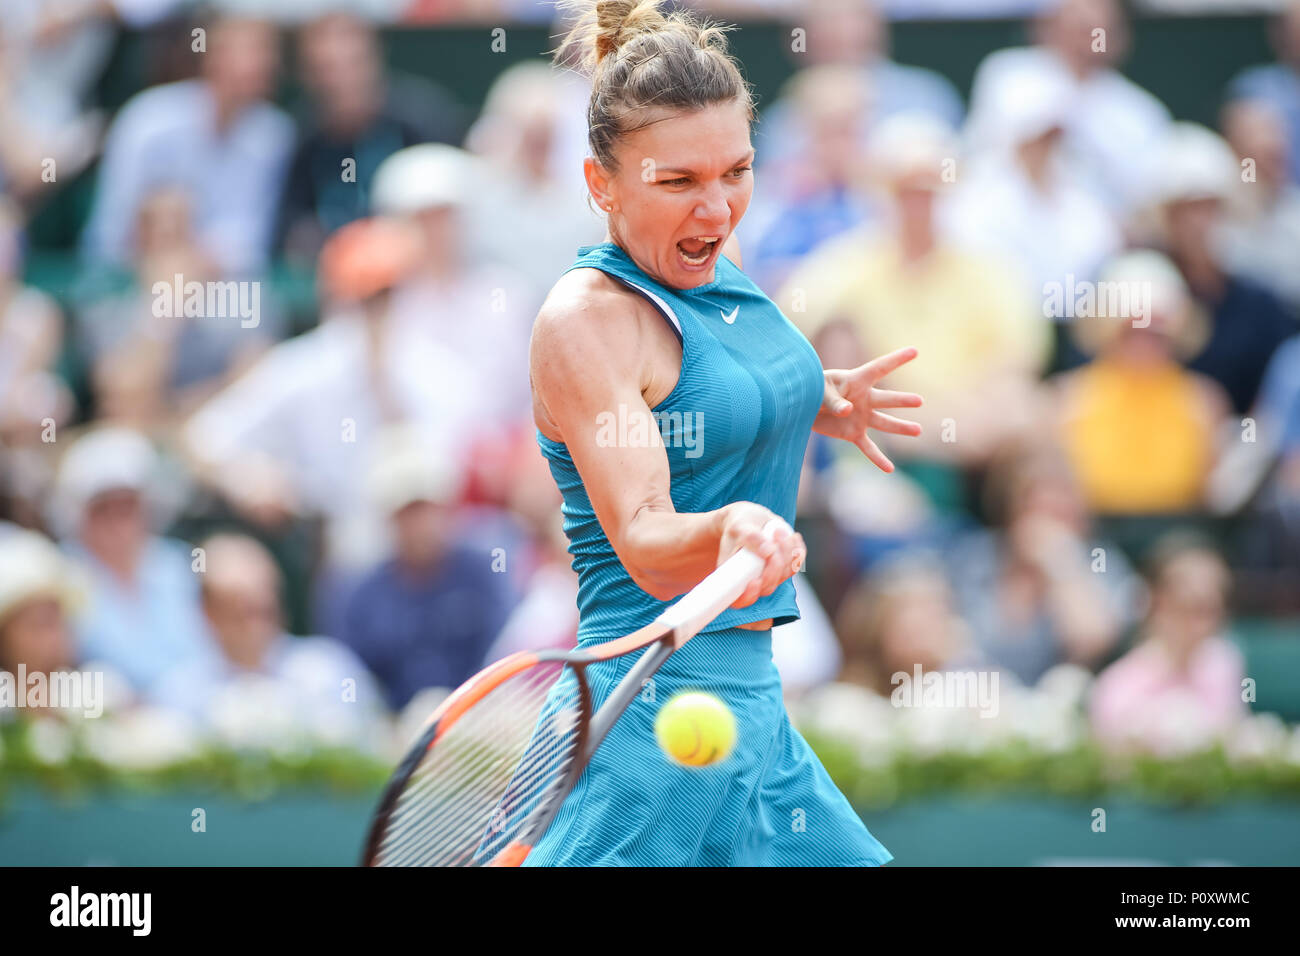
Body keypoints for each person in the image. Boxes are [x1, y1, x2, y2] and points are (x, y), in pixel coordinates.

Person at [523, 0, 925, 866]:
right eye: (677, 183)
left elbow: (712, 386)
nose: (716, 209)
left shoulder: (707, 259)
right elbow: (644, 540)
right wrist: (729, 529)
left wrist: (816, 396)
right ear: (602, 184)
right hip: (647, 727)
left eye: (735, 172)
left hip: (752, 711)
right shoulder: (586, 322)